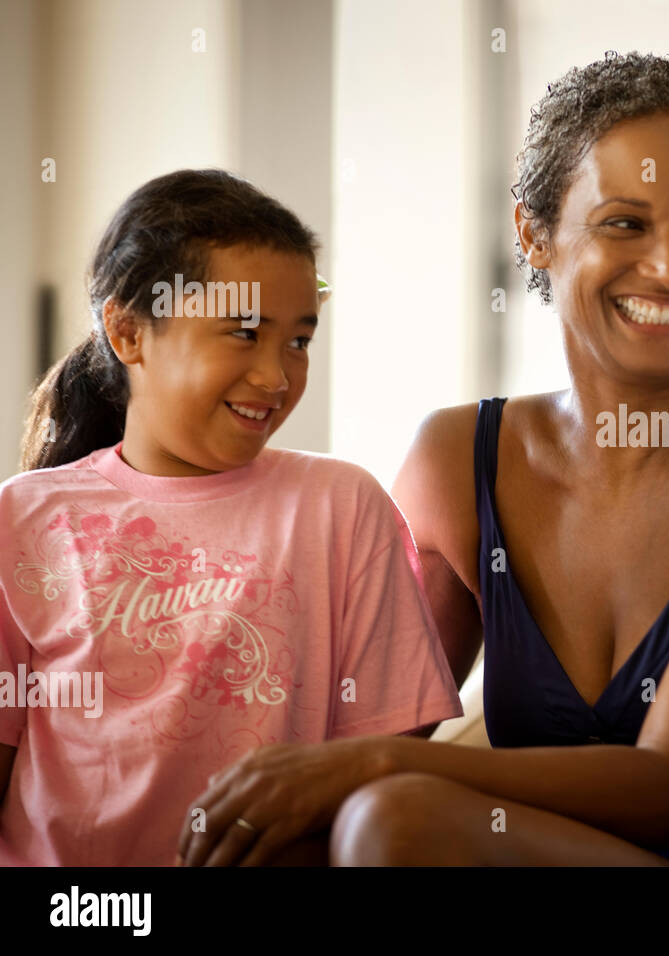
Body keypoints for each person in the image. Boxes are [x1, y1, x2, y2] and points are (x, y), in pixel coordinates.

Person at [176, 52, 669, 867]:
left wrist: (374, 765)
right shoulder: (457, 460)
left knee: (394, 820)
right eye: (626, 222)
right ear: (533, 232)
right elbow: (354, 736)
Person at [0, 170, 463, 866]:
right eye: (243, 334)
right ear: (129, 331)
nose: (277, 377)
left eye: (299, 341)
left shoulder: (342, 506)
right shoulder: (24, 518)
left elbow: (383, 762)